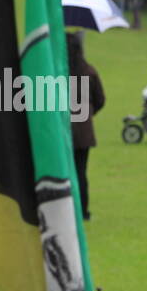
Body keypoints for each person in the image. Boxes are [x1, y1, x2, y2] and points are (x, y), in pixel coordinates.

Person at [67, 33, 104, 221]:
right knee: (81, 172)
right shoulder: (89, 71)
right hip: (83, 132)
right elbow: (100, 100)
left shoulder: (55, 73)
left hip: (61, 131)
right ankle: (83, 211)